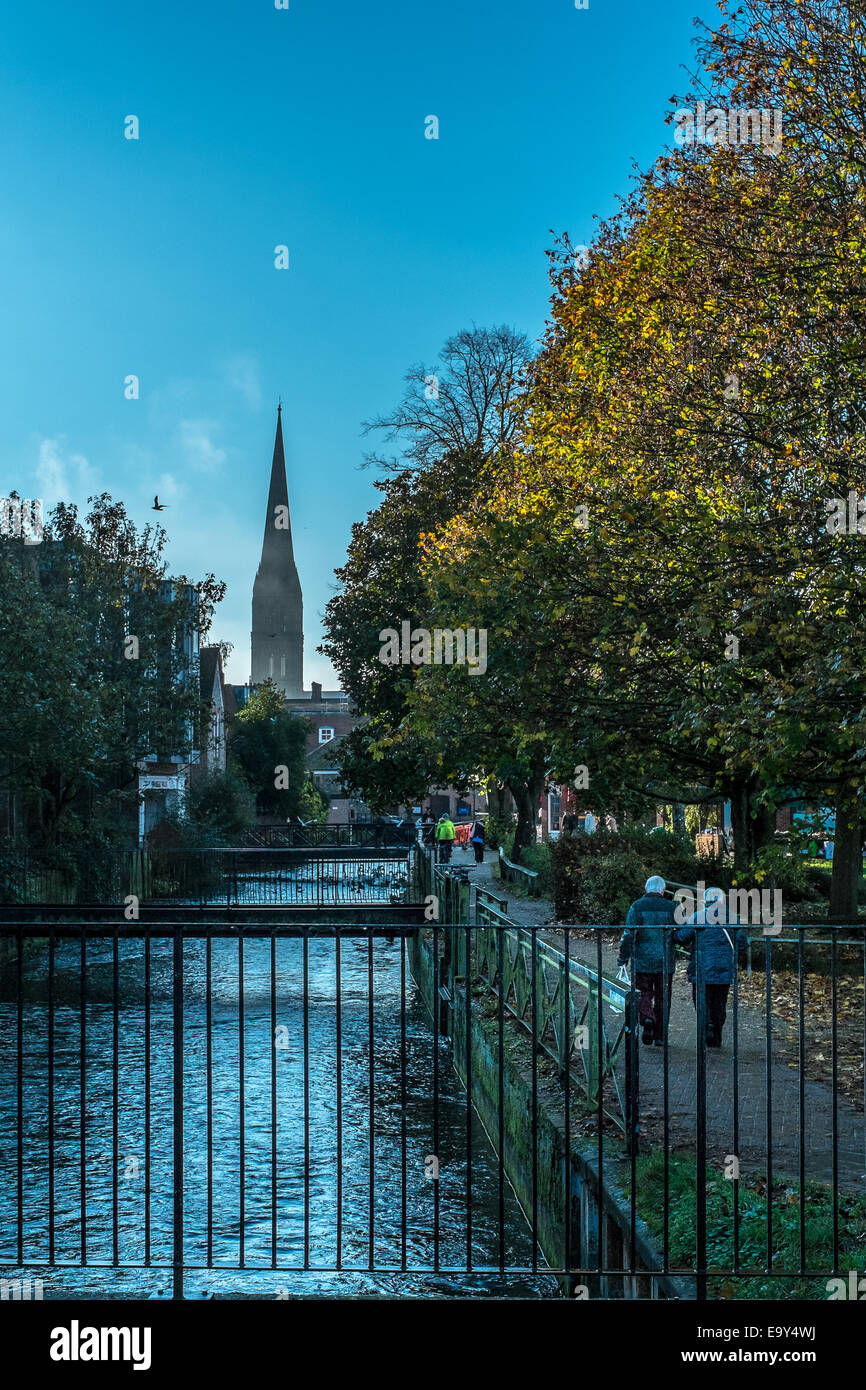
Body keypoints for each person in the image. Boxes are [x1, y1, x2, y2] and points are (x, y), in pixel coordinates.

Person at [675, 887, 748, 1048]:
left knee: (701, 1000)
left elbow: (682, 938)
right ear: (722, 900)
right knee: (720, 1002)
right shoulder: (732, 917)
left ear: (706, 900)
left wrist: (675, 931)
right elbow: (743, 943)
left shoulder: (698, 917)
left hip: (701, 968)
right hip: (724, 969)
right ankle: (717, 1033)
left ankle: (706, 1024)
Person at [617, 875, 678, 1046]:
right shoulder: (672, 907)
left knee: (643, 993)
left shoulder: (636, 906)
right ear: (663, 890)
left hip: (642, 960)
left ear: (646, 889)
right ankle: (660, 1036)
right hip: (665, 962)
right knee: (663, 997)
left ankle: (647, 1019)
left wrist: (623, 957)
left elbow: (628, 935)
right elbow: (681, 933)